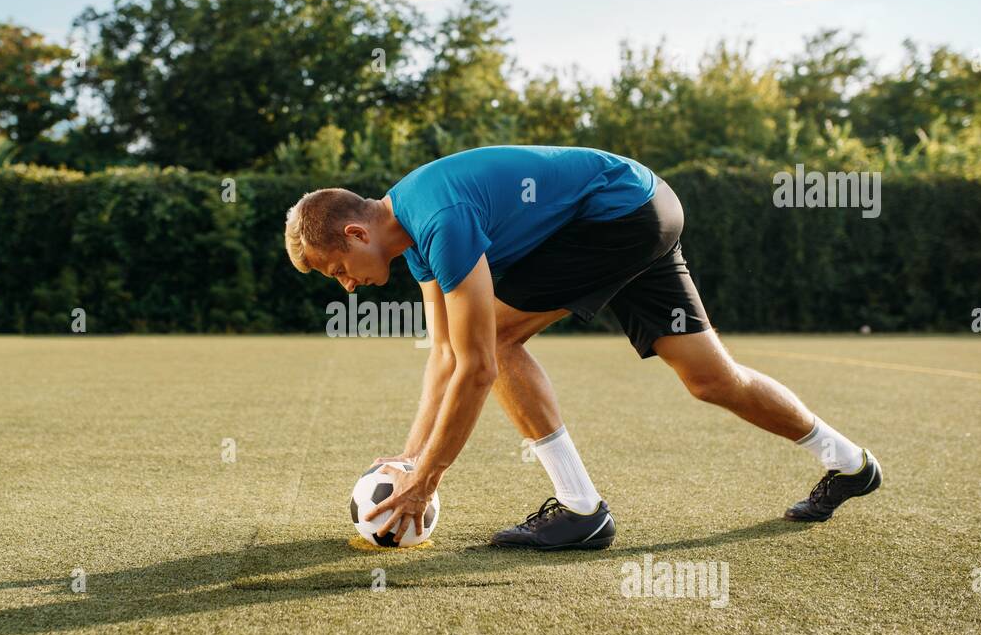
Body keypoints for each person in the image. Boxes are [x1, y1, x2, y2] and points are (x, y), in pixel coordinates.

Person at [283, 145, 882, 550]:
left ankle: (581, 511)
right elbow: (443, 352)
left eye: (337, 269)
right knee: (711, 379)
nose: (347, 284)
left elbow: (476, 367)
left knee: (493, 336)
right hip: (642, 208)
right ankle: (851, 463)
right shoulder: (408, 232)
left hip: (620, 218)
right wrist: (411, 458)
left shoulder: (440, 218)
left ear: (356, 233)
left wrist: (428, 478)